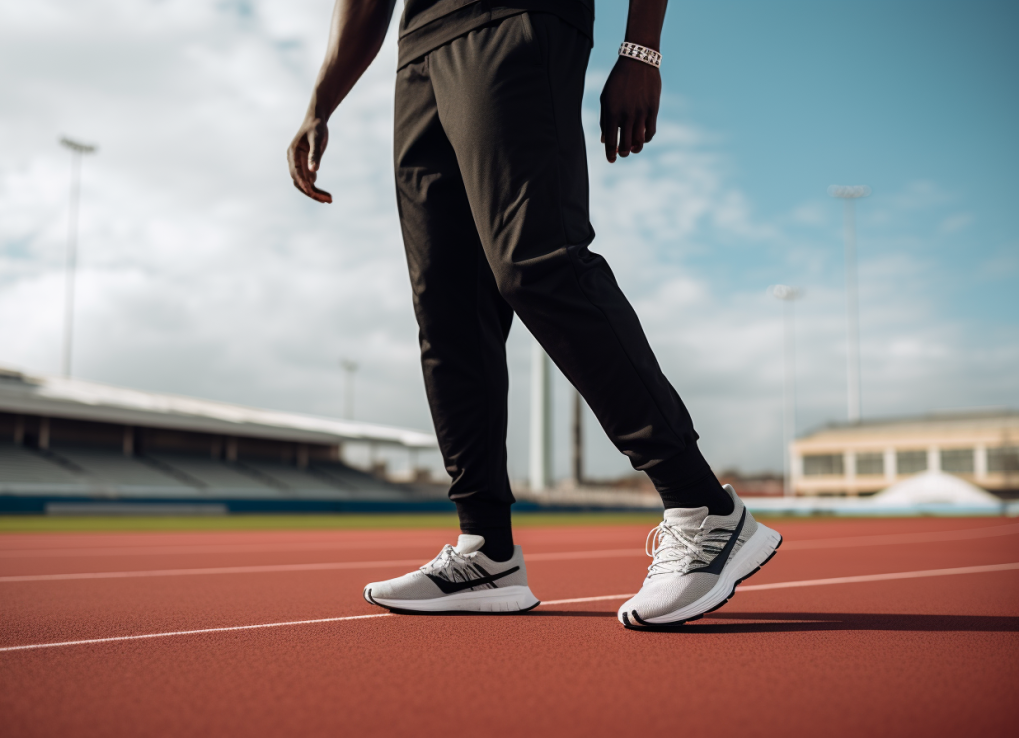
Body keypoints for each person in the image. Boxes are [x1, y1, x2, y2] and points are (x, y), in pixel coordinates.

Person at [288, 0, 782, 628]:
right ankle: (486, 550)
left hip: (517, 16)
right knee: (446, 307)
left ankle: (702, 506)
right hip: (418, 49)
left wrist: (641, 49)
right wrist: (320, 102)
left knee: (536, 261)